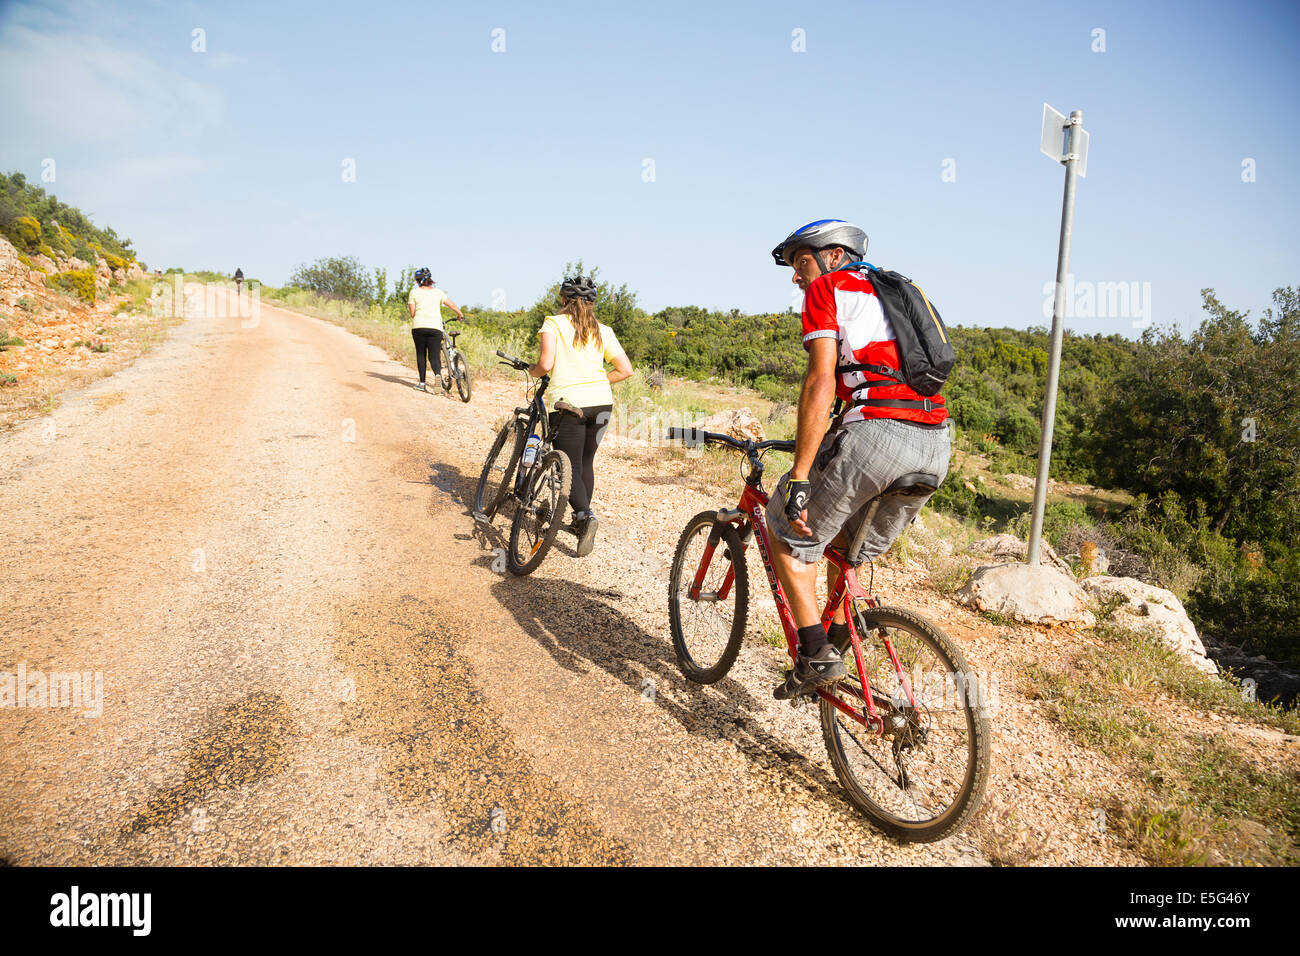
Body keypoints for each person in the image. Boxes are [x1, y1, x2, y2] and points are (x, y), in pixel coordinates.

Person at [765, 220, 951, 700]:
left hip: (878, 434)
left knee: (786, 527)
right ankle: (846, 656)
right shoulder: (901, 291)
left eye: (800, 262)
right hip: (936, 444)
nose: (795, 277)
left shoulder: (829, 288)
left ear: (832, 256)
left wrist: (801, 477)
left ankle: (815, 654)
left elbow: (820, 383)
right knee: (844, 551)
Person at [526, 275, 633, 556]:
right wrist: (595, 382)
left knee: (569, 465)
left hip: (568, 404)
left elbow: (545, 364)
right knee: (585, 461)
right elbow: (625, 369)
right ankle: (579, 519)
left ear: (563, 300)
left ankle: (585, 516)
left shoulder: (554, 323)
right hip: (602, 404)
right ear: (592, 303)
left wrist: (532, 371)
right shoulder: (604, 330)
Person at [407, 267, 465, 391]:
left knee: (421, 354)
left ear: (418, 280)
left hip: (419, 327)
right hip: (435, 327)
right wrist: (460, 314)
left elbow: (412, 313)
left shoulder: (414, 292)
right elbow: (452, 305)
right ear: (430, 279)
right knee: (434, 356)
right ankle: (438, 377)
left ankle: (422, 384)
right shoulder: (438, 292)